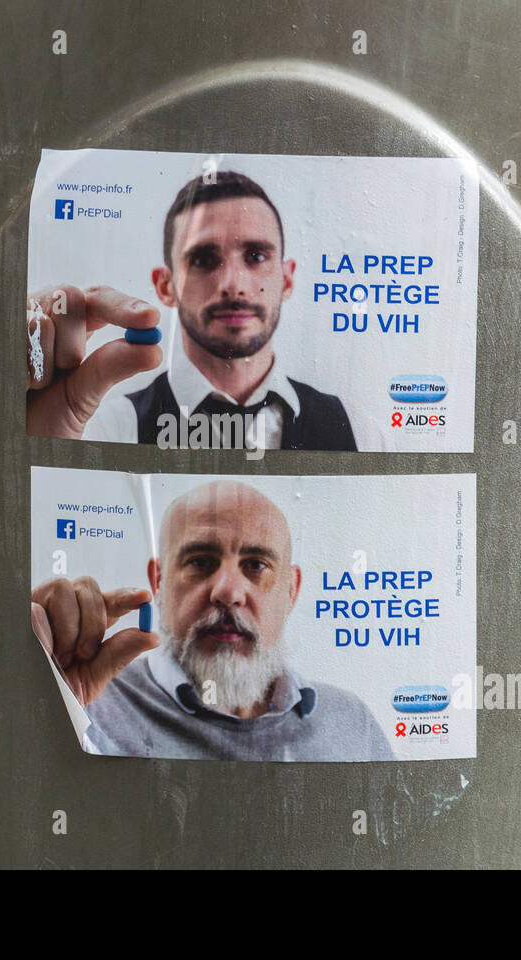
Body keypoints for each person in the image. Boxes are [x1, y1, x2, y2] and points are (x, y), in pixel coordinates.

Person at [30, 480, 392, 761]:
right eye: (201, 561)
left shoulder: (352, 723)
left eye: (256, 565)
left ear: (292, 590)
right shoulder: (92, 702)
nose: (227, 591)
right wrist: (38, 694)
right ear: (158, 581)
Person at [26, 171, 357, 451]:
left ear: (286, 280)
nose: (233, 284)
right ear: (165, 286)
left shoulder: (358, 432)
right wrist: (31, 441)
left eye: (256, 256)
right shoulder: (105, 431)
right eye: (203, 259)